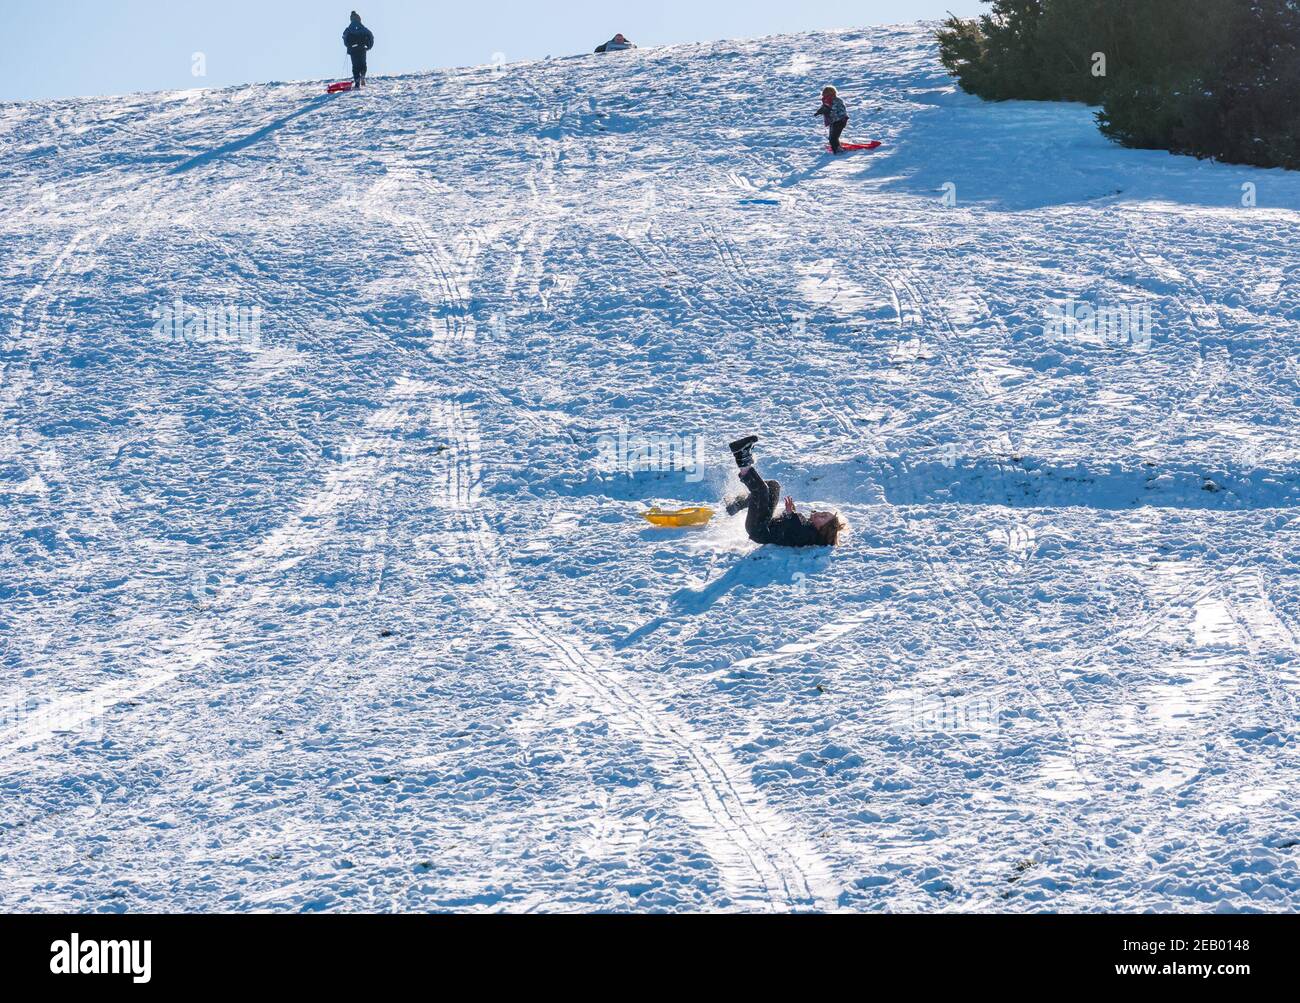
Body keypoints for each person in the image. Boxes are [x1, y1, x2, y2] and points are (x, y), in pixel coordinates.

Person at [725, 437, 846, 548]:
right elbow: (787, 530)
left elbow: (798, 531)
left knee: (762, 491)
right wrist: (789, 514)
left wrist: (790, 515)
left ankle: (742, 457)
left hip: (759, 530)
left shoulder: (810, 535)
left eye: (823, 517)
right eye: (823, 512)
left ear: (824, 529)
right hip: (766, 523)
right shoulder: (807, 526)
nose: (819, 513)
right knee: (773, 486)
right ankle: (736, 505)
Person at [343, 12, 375, 89]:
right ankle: (363, 75)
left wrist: (348, 46)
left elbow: (344, 37)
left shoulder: (348, 29)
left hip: (353, 49)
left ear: (351, 19)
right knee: (363, 63)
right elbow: (371, 36)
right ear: (359, 19)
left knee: (355, 66)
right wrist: (369, 46)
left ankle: (357, 80)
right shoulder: (363, 28)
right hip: (362, 48)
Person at [814, 85, 849, 154]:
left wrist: (828, 111)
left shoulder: (836, 100)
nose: (823, 95)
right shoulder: (827, 101)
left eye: (825, 94)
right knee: (831, 137)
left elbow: (837, 110)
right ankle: (837, 147)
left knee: (833, 138)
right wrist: (819, 111)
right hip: (833, 121)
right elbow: (824, 107)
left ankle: (837, 151)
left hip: (840, 121)